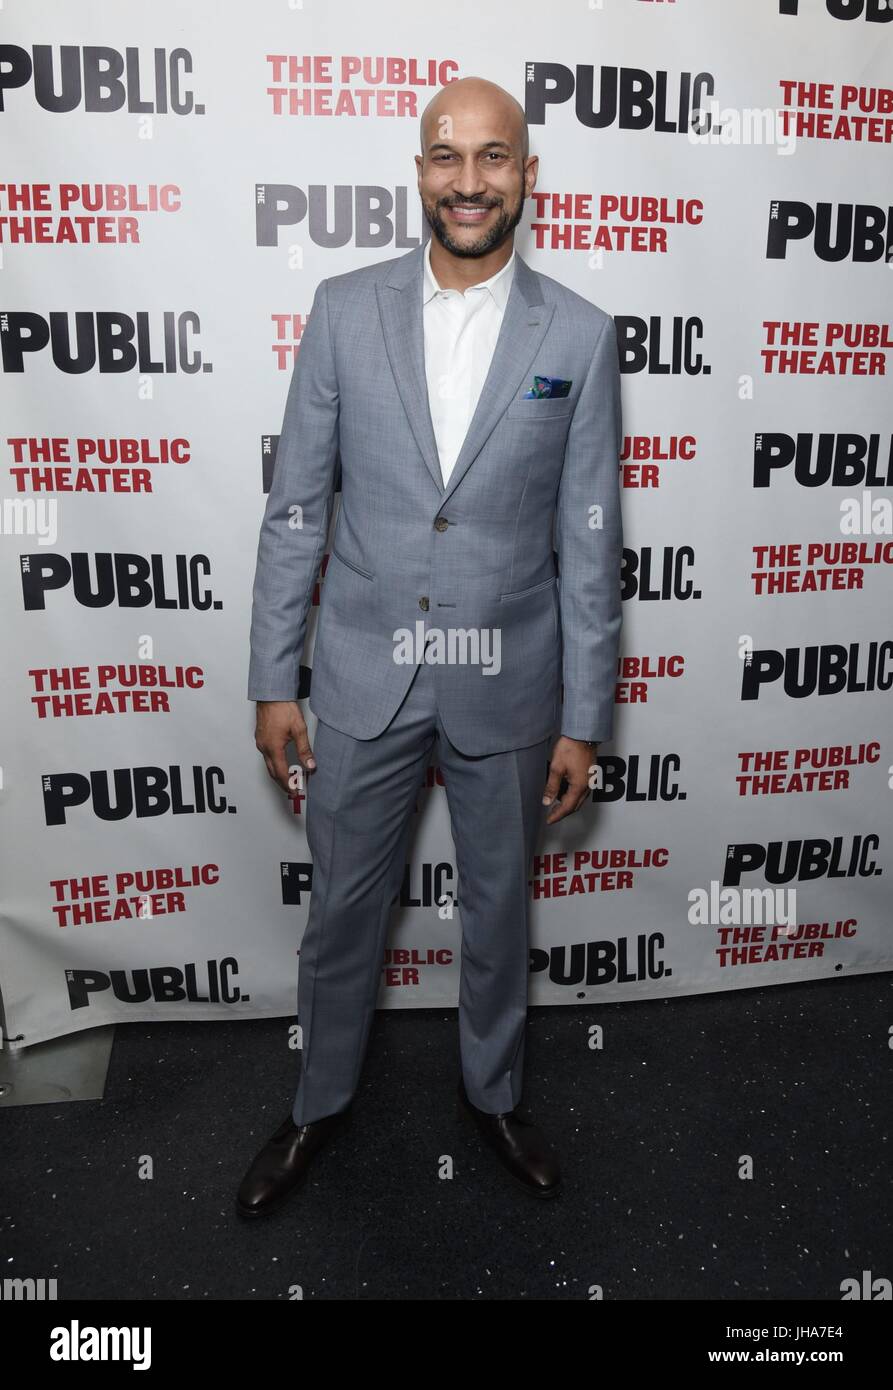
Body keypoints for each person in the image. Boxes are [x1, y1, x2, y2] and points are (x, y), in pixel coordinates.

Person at [237, 76, 623, 1217]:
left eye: (492, 157)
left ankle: (493, 1093)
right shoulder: (341, 308)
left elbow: (590, 540)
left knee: (500, 911)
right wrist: (273, 678)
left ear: (525, 175)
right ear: (417, 172)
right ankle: (316, 1104)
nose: (467, 181)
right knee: (341, 914)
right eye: (446, 157)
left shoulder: (582, 337)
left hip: (512, 681)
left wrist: (582, 718)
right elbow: (295, 510)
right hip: (360, 668)